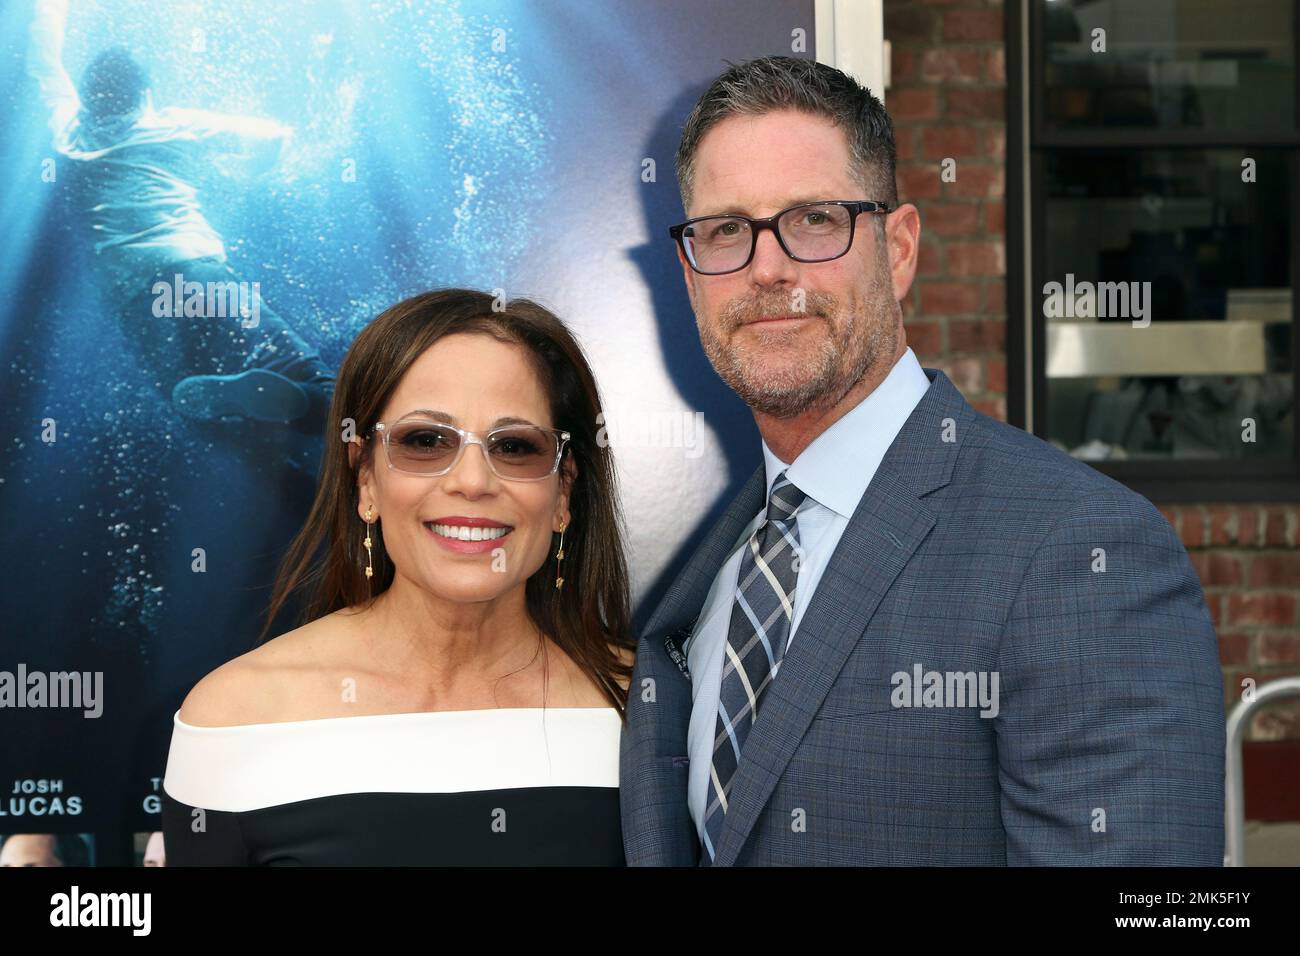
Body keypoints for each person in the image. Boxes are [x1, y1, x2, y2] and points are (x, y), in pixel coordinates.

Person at [620, 56, 1225, 866]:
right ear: (691, 275)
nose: (767, 269)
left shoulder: (1083, 553)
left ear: (898, 250)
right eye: (726, 230)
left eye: (814, 219)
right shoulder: (716, 574)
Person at [161, 289, 634, 865]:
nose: (472, 482)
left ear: (563, 493)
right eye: (425, 441)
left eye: (513, 447)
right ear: (365, 480)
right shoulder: (233, 715)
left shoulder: (650, 711)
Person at [27, 0, 334, 432]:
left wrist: (50, 8)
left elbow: (42, 65)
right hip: (194, 269)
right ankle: (308, 399)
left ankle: (245, 419)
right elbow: (273, 138)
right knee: (301, 368)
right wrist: (236, 179)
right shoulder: (174, 125)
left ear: (86, 93)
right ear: (145, 95)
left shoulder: (67, 133)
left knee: (187, 398)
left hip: (136, 295)